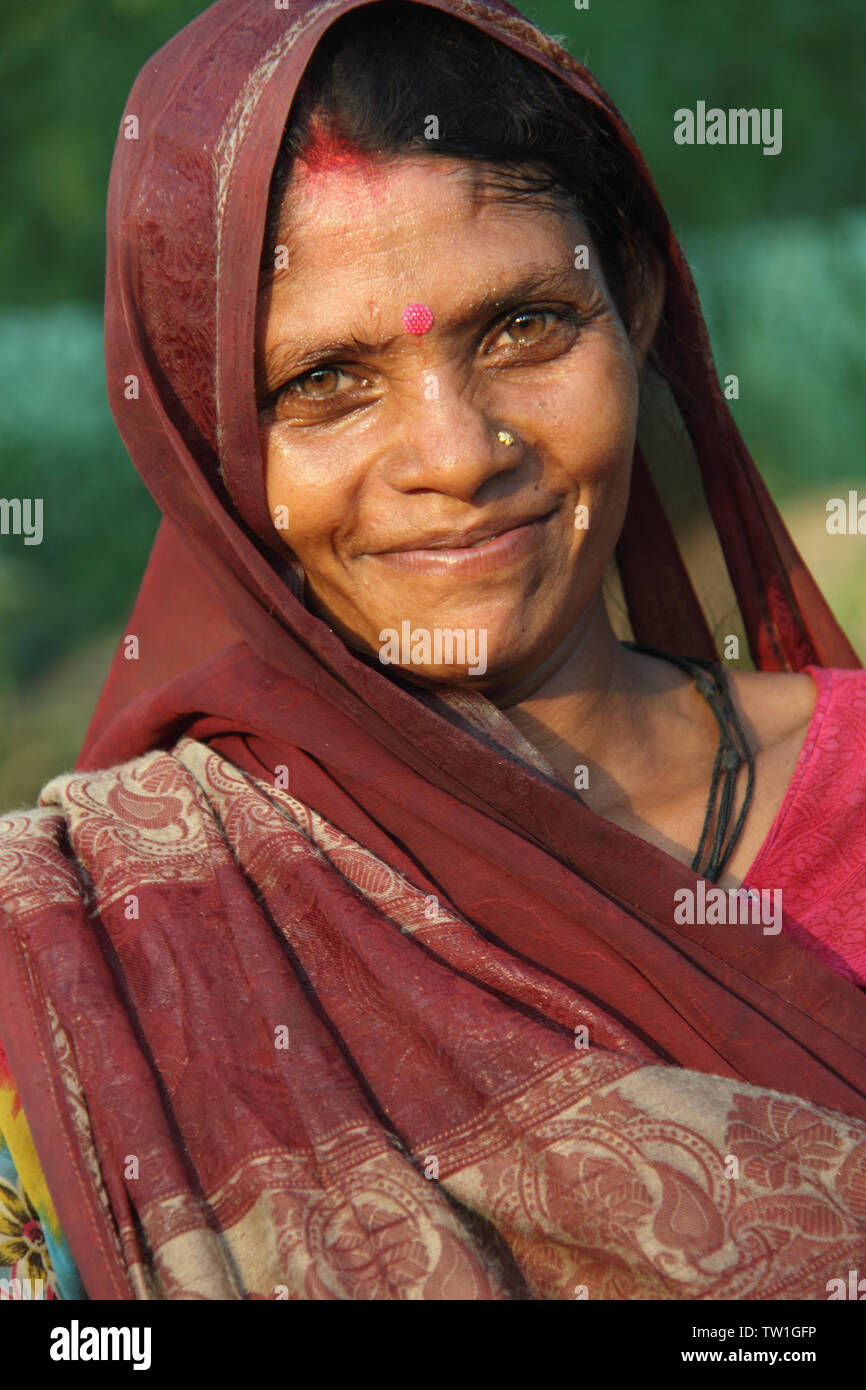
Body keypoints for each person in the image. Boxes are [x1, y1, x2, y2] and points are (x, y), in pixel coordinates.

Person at [1, 0, 864, 1302]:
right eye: (326, 383)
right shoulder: (90, 948)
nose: (457, 454)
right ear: (209, 439)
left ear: (630, 300)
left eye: (522, 326)